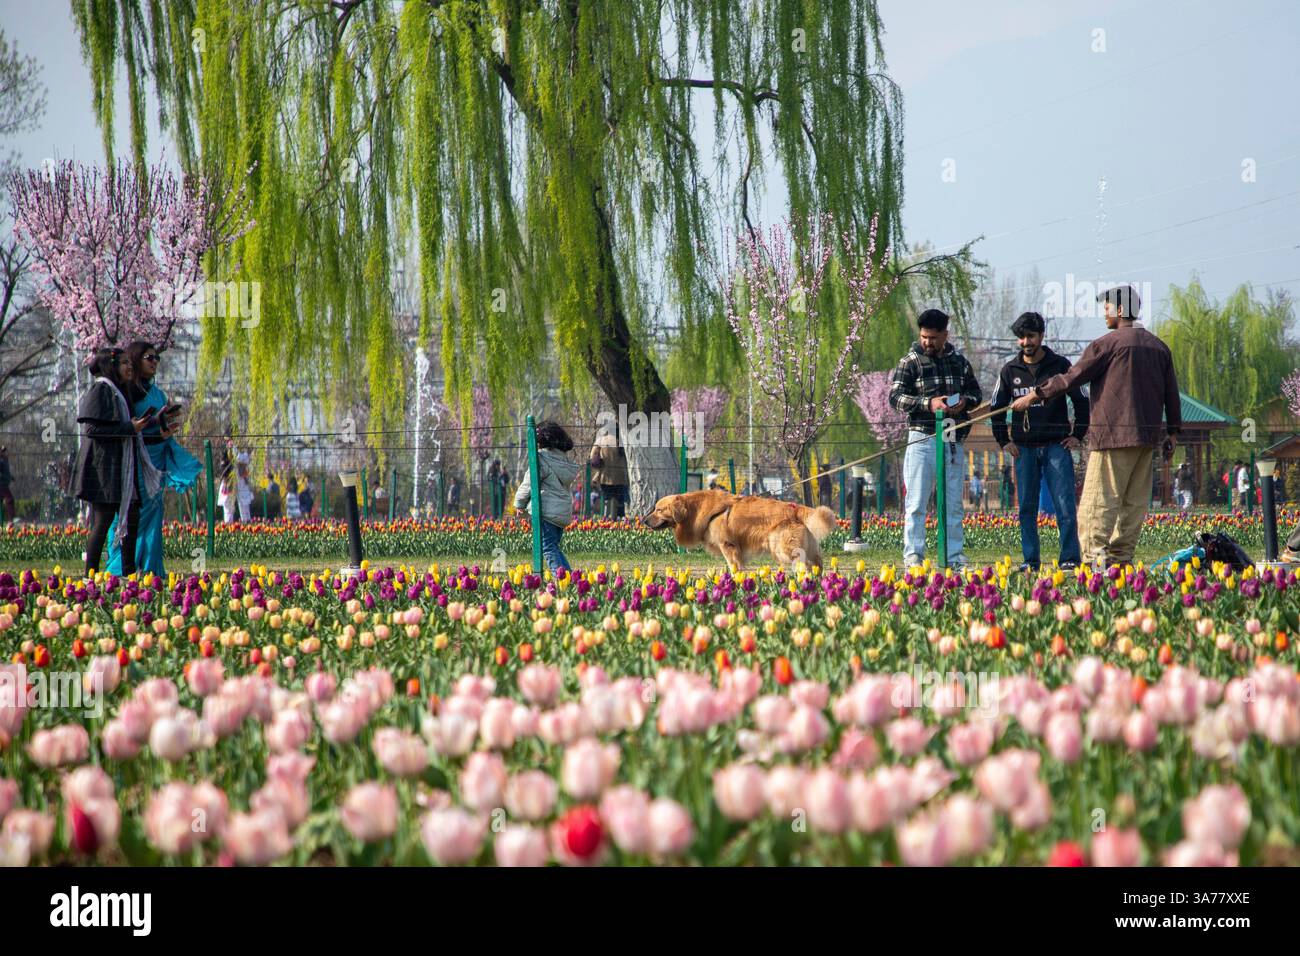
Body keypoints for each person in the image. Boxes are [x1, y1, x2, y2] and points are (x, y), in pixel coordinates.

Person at [1012, 285, 1180, 568]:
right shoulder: (1158, 346)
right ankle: (1121, 559)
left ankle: (1095, 562)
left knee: (1098, 503)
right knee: (1134, 504)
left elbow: (1071, 377)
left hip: (1112, 436)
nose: (1104, 314)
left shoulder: (1107, 345)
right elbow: (1170, 392)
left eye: (1106, 309)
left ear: (1118, 310)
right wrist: (1173, 431)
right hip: (1147, 438)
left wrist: (1036, 394)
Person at [990, 311, 1090, 572]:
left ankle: (1069, 558)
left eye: (1030, 336)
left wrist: (1077, 435)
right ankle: (1030, 561)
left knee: (1064, 505)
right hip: (1023, 449)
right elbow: (996, 409)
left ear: (1042, 336)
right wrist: (1004, 442)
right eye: (1021, 338)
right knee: (1026, 508)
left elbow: (1082, 401)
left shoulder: (1060, 366)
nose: (1026, 342)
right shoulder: (1009, 371)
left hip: (1056, 446)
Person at [888, 308, 982, 568]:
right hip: (922, 439)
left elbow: (976, 393)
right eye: (924, 337)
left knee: (953, 504)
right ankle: (914, 556)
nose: (927, 342)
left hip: (953, 439)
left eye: (933, 337)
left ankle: (955, 557)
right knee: (916, 502)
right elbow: (895, 397)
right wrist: (928, 403)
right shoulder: (910, 362)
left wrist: (964, 402)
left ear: (945, 335)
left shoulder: (959, 362)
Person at [105, 342, 203, 577]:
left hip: (158, 456)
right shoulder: (128, 391)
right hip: (138, 458)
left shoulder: (156, 392)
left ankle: (151, 569)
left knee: (154, 514)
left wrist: (165, 422)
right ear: (137, 359)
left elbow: (156, 422)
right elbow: (126, 424)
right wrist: (151, 424)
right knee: (133, 512)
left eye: (157, 358)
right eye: (149, 357)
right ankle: (119, 567)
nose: (154, 362)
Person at [71, 347, 160, 577]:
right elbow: (92, 429)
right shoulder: (102, 389)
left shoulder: (120, 392)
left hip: (122, 470)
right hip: (104, 470)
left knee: (132, 519)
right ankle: (90, 574)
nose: (130, 367)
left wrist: (157, 426)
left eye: (129, 363)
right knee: (103, 522)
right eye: (124, 363)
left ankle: (129, 575)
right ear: (111, 366)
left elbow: (130, 430)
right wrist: (130, 427)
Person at [514, 420, 579, 575]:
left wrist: (519, 503)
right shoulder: (562, 459)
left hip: (547, 513)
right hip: (561, 513)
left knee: (548, 548)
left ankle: (563, 579)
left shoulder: (541, 459)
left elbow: (529, 482)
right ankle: (570, 577)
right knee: (553, 546)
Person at [589, 422, 629, 519]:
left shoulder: (601, 440)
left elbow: (593, 457)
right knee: (620, 500)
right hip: (621, 477)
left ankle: (606, 518)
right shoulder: (623, 441)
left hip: (605, 476)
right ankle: (620, 519)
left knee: (607, 499)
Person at [0, 447, 13, 523]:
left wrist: (11, 477)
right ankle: (10, 520)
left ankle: (4, 521)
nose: (5, 453)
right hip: (2, 485)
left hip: (4, 484)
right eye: (3, 451)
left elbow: (6, 472)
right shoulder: (1, 460)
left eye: (5, 451)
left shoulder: (4, 460)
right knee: (9, 500)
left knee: (5, 501)